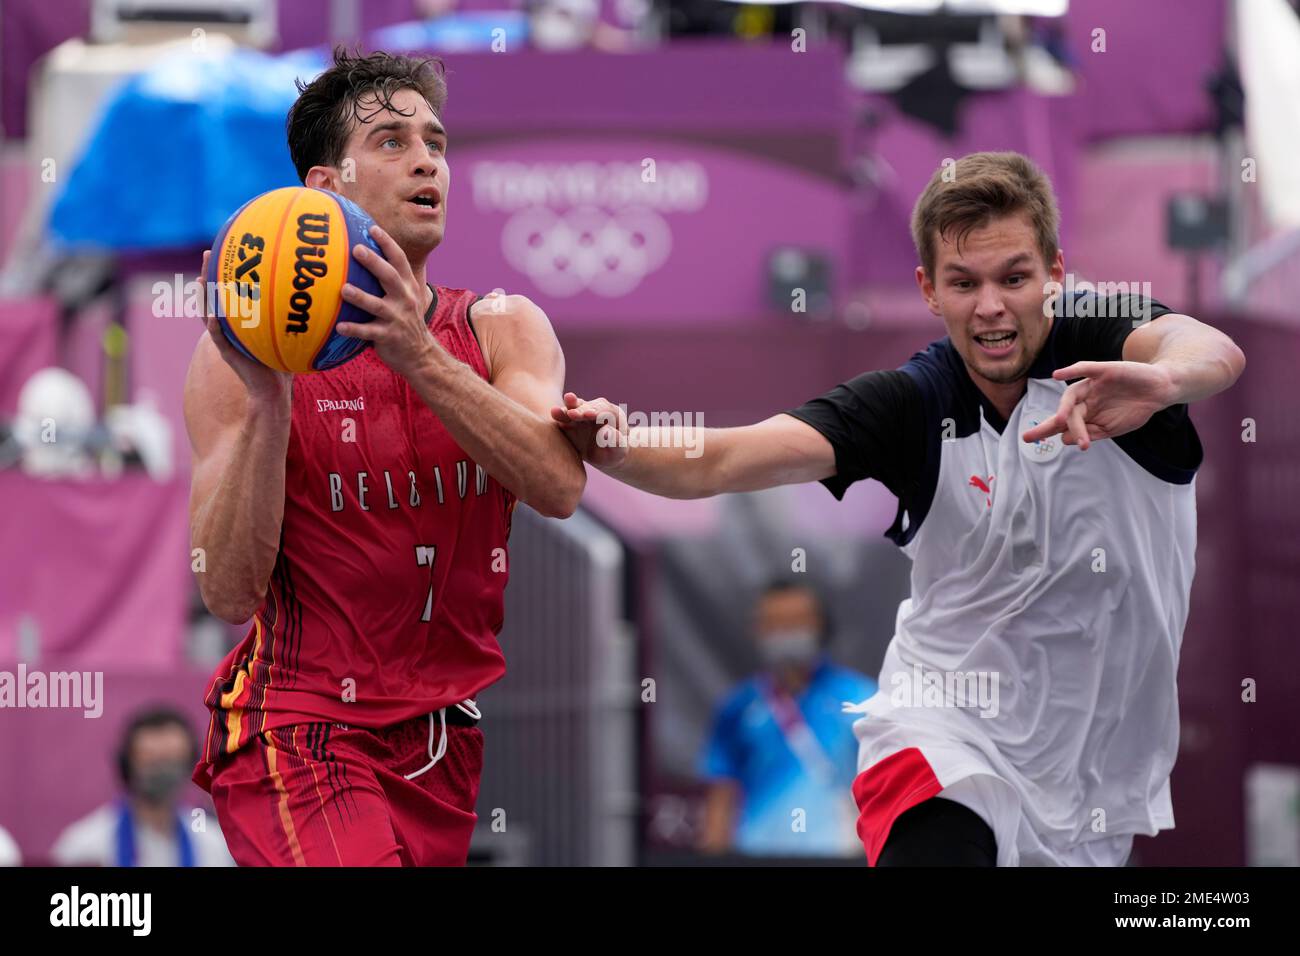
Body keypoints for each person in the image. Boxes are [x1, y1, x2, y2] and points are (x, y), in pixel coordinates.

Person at [554, 151, 1246, 866]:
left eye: (1014, 278)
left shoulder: (1111, 349)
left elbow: (1211, 347)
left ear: (1055, 273)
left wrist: (1163, 380)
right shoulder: (910, 403)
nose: (991, 306)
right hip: (942, 731)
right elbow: (729, 457)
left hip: (1095, 774)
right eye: (964, 283)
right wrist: (618, 445)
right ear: (928, 289)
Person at [185, 49, 585, 866]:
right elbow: (227, 590)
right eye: (394, 141)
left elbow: (556, 486)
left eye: (436, 142)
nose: (428, 159)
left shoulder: (503, 326)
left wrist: (418, 355)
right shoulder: (243, 353)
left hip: (444, 738)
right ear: (325, 189)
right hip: (296, 726)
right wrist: (268, 399)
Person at [698, 579, 877, 857]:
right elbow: (722, 794)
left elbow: (884, 787)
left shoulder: (860, 697)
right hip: (757, 855)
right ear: (757, 629)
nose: (785, 632)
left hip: (840, 854)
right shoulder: (738, 706)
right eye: (774, 623)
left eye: (796, 622)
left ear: (820, 625)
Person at [51, 707, 234, 867]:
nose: (163, 771)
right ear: (127, 765)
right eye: (151, 760)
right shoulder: (86, 845)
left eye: (172, 761)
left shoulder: (213, 844)